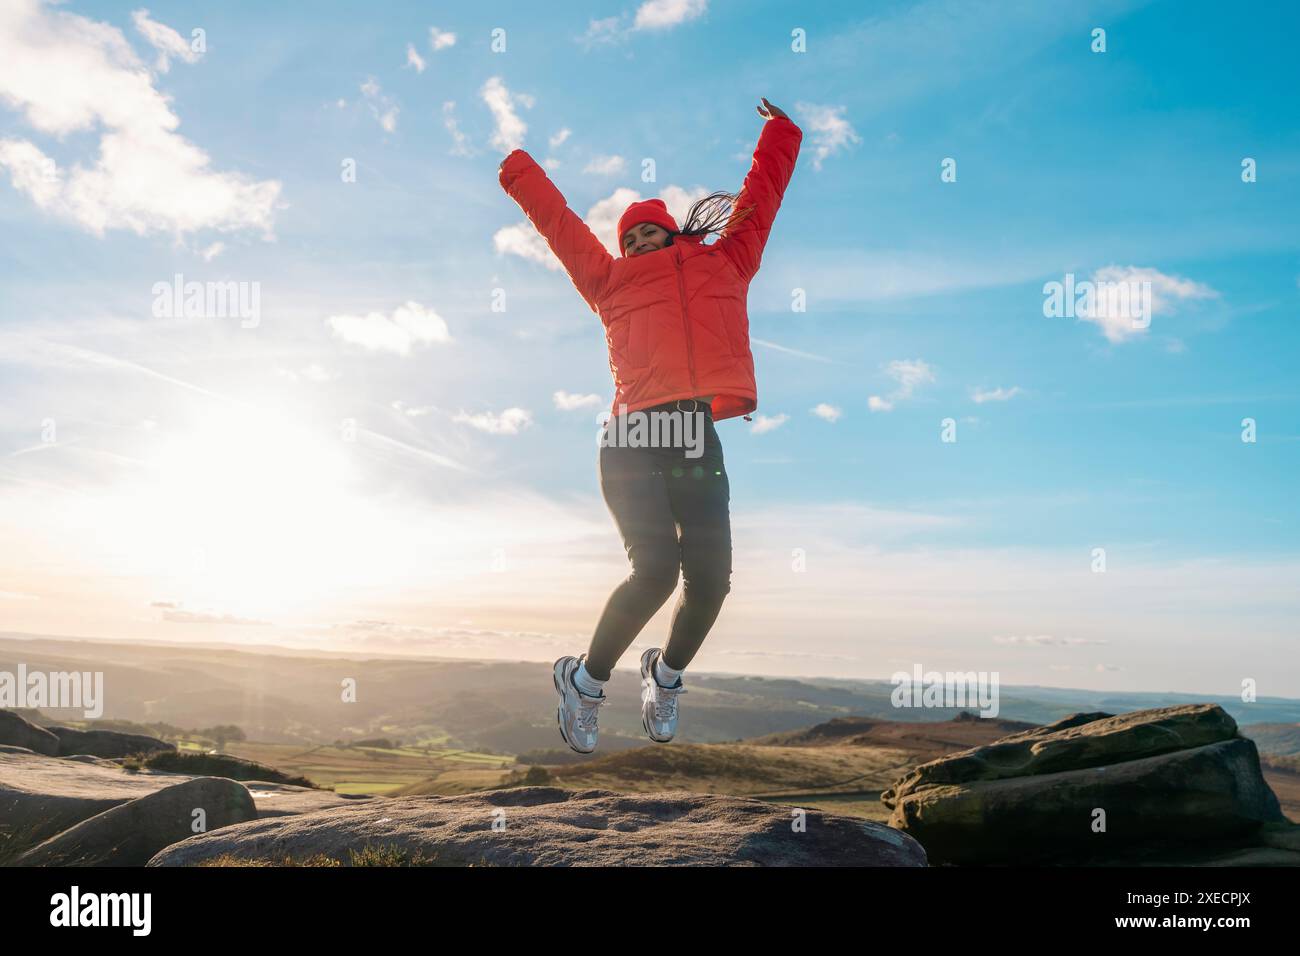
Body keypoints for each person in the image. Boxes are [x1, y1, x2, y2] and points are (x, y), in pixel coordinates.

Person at [498, 97, 802, 753]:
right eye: (628, 237)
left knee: (712, 579)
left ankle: (665, 675)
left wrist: (780, 132)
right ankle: (584, 681)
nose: (636, 241)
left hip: (693, 435)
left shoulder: (726, 263)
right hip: (634, 438)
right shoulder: (608, 281)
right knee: (655, 572)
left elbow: (761, 200)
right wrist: (517, 166)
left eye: (648, 232)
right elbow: (559, 224)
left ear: (673, 233)